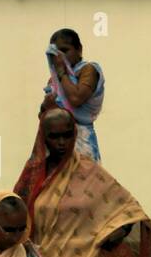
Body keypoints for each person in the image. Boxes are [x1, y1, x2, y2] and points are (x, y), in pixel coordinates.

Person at [14, 107, 151, 257]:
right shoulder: (33, 175)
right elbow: (16, 214)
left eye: (67, 135)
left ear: (75, 134)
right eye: (54, 136)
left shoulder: (90, 172)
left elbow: (128, 211)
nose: (61, 142)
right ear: (43, 136)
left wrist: (113, 234)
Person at [41, 28, 104, 161]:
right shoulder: (54, 81)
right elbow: (44, 118)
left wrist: (62, 73)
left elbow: (76, 98)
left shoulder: (88, 70)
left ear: (79, 49)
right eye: (55, 54)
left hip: (82, 141)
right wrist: (46, 105)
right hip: (56, 146)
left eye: (65, 51)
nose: (60, 57)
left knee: (84, 180)